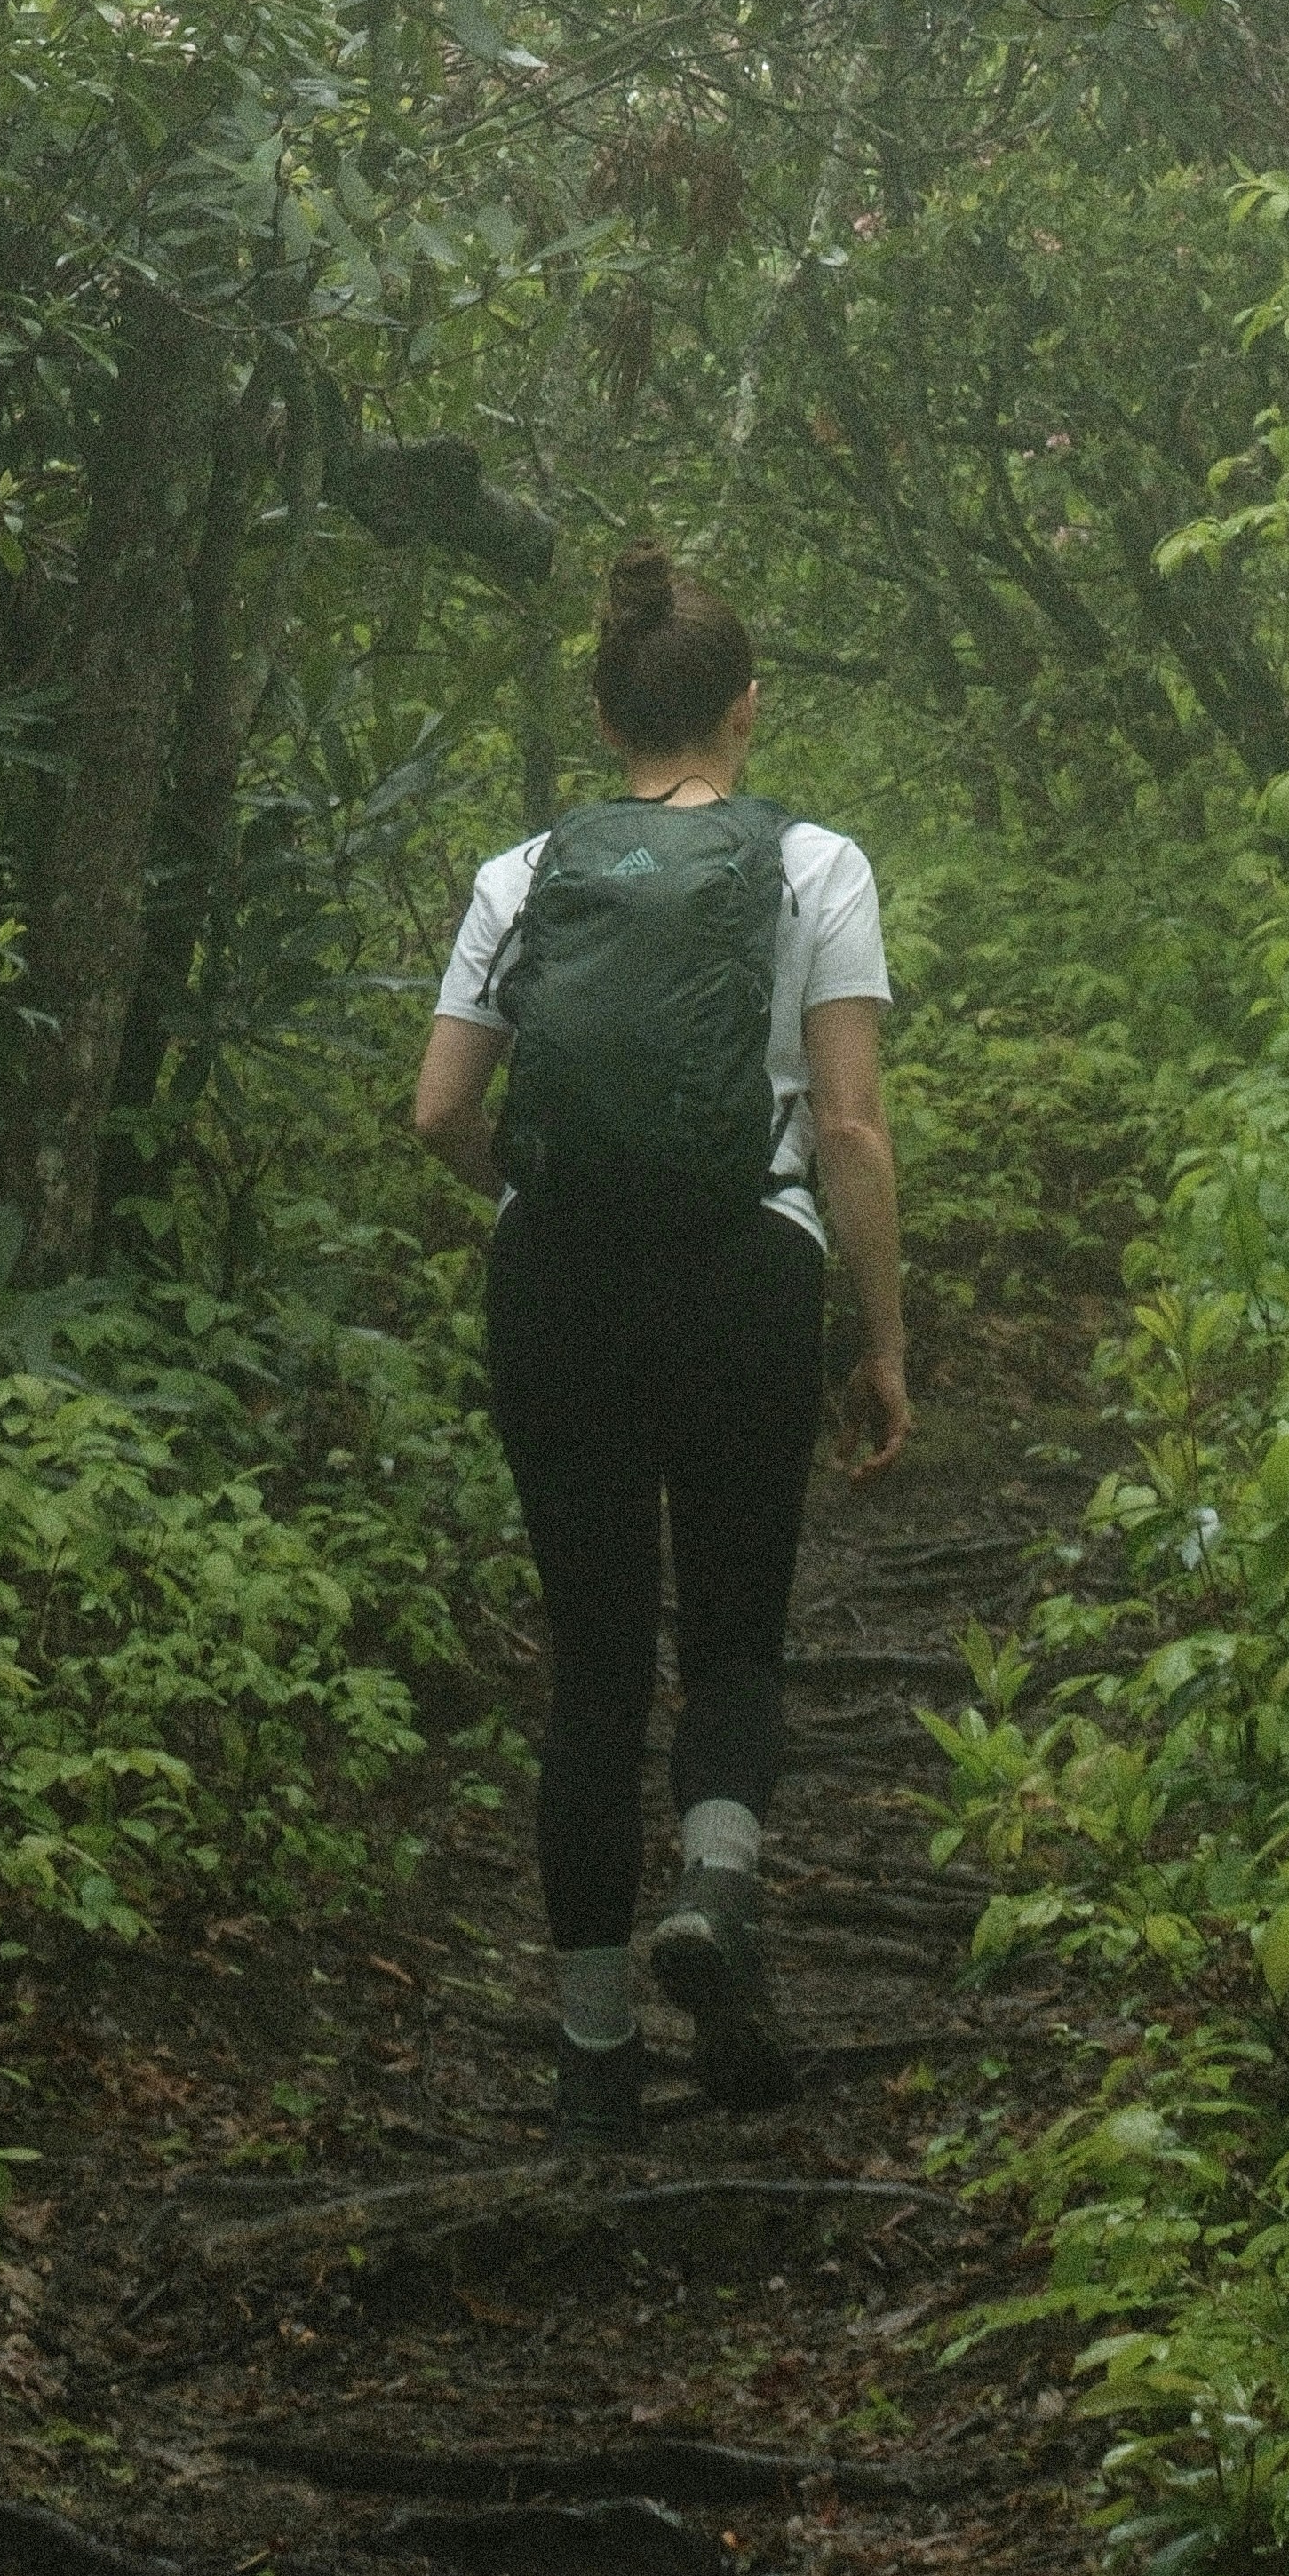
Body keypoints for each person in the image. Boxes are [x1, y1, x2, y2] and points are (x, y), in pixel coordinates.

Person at [413, 537, 909, 2148]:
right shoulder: (814, 866)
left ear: (607, 713)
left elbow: (438, 1110)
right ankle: (713, 1880)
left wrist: (535, 1195)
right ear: (746, 709)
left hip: (555, 1286)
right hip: (745, 1277)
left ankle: (592, 2054)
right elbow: (850, 1126)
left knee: (593, 1672)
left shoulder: (522, 872)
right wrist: (879, 1334)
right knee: (740, 1632)